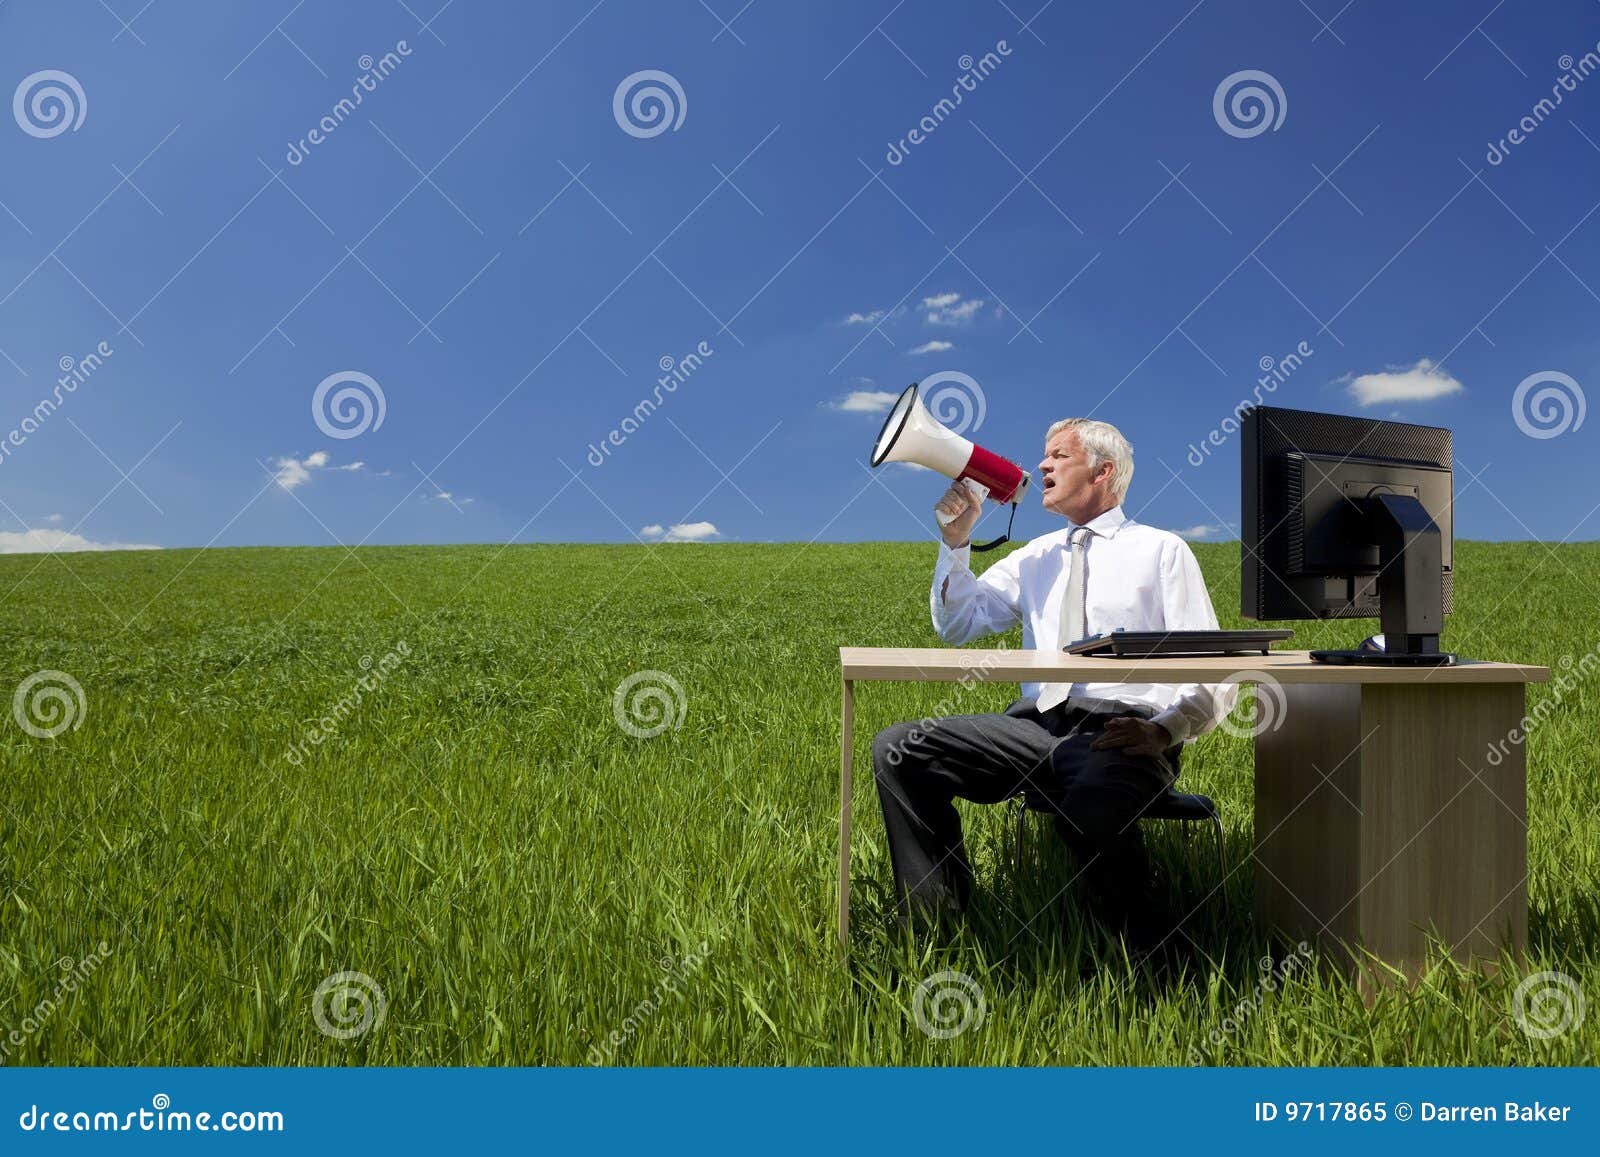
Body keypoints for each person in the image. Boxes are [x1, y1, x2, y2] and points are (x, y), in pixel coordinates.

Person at [870, 417, 1231, 944]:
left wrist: (1164, 732)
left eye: (1060, 456)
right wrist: (957, 541)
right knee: (901, 750)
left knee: (1093, 805)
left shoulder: (1161, 551)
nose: (1042, 465)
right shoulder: (1036, 556)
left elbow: (1212, 666)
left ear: (1103, 472)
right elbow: (958, 622)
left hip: (1122, 734)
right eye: (1045, 455)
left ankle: (1153, 960)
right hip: (1038, 729)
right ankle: (933, 934)